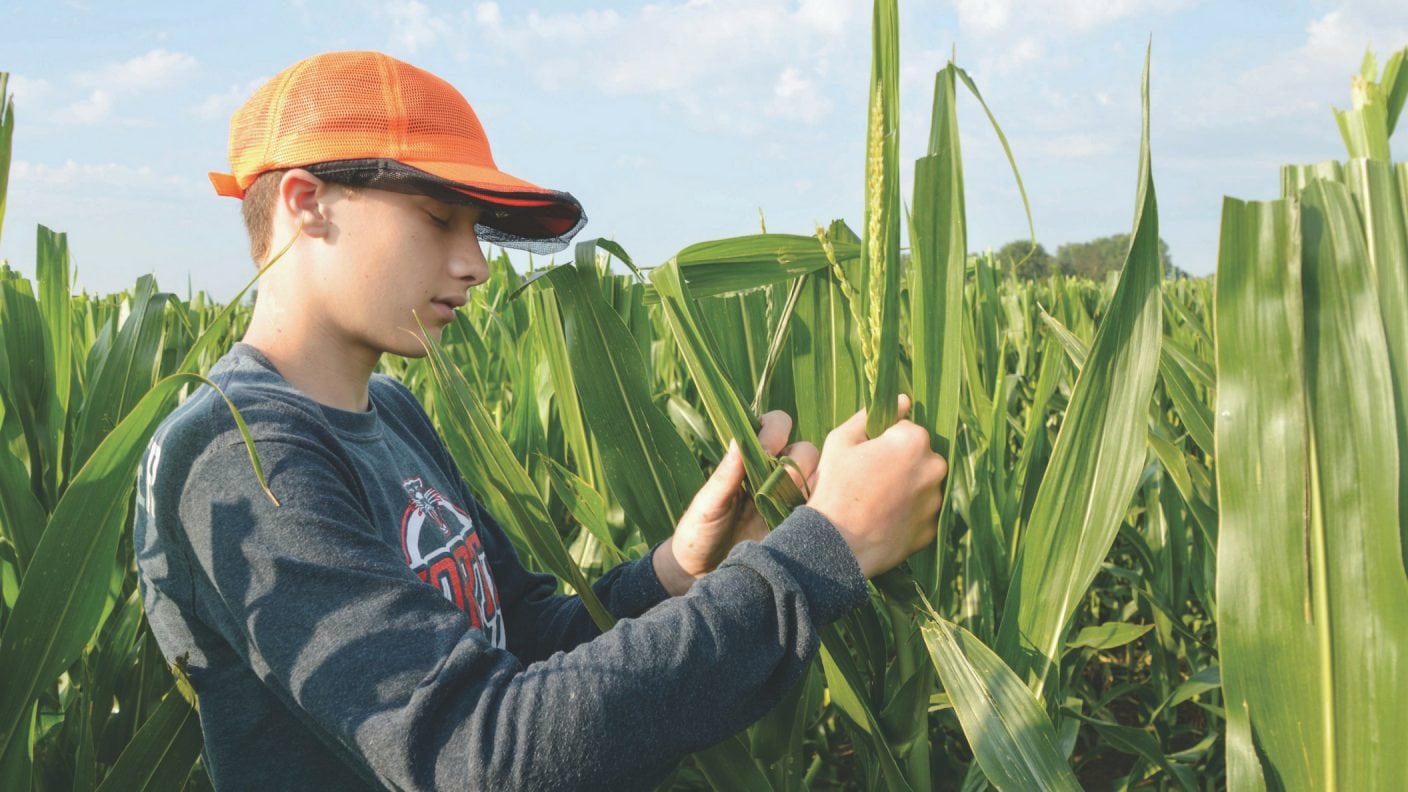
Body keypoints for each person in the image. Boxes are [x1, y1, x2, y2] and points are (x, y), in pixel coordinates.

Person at [134, 50, 946, 791]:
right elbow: (478, 753)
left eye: (476, 230)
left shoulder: (390, 412)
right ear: (309, 204)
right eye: (437, 217)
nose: (478, 264)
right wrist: (824, 551)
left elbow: (517, 637)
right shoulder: (238, 455)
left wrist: (679, 568)